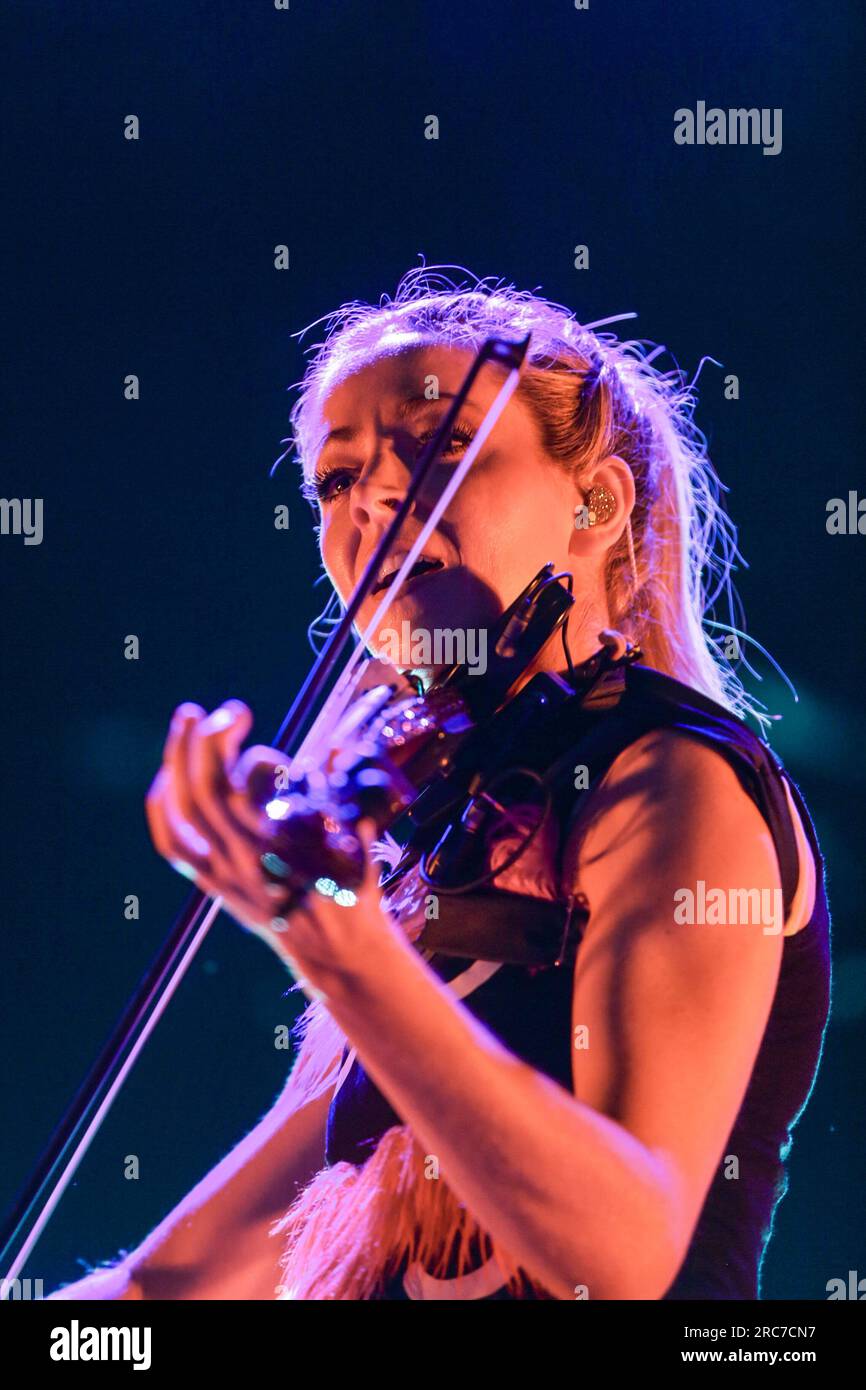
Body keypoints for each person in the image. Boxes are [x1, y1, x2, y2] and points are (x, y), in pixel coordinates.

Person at [49, 268, 831, 1301]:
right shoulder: (428, 848)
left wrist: (342, 943)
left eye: (439, 448)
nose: (374, 496)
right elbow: (168, 1291)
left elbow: (622, 1252)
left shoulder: (669, 778)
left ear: (593, 500)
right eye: (335, 479)